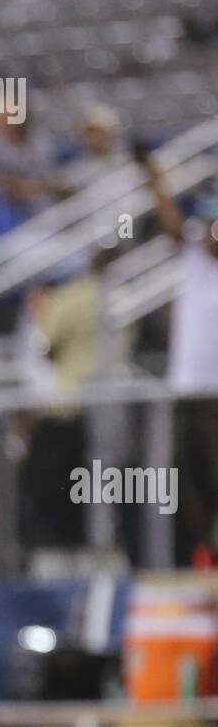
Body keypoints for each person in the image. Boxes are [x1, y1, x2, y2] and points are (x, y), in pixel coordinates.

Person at [140, 151, 218, 564]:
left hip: (216, 395)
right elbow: (170, 218)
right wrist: (153, 174)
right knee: (192, 481)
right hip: (188, 389)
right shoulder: (192, 260)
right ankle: (204, 551)